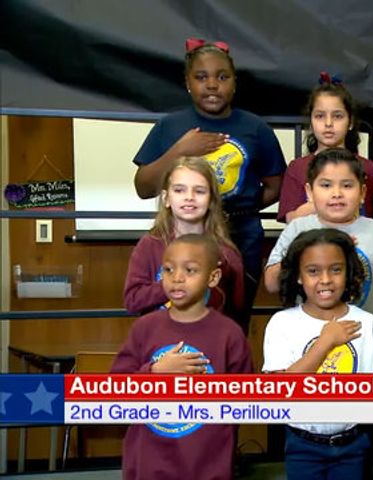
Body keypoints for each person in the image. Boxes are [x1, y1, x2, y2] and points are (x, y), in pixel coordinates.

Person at [131, 38, 286, 329]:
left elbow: (275, 186)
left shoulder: (256, 128)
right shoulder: (170, 127)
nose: (212, 85)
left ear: (235, 82)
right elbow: (143, 187)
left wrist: (234, 209)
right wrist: (180, 150)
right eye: (201, 77)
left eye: (222, 77)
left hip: (240, 235)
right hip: (181, 232)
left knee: (234, 317)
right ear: (188, 82)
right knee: (176, 311)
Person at [112, 233, 253, 480]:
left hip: (207, 466)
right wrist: (154, 372)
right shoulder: (144, 328)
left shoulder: (230, 334)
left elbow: (246, 402)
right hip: (149, 464)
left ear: (213, 278)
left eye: (189, 270)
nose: (177, 278)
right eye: (168, 270)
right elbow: (115, 390)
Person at [263, 228, 373, 480]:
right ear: (298, 276)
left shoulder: (368, 323)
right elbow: (280, 390)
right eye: (313, 271)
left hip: (356, 444)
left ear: (348, 272)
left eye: (336, 269)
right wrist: (325, 342)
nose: (326, 279)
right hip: (302, 446)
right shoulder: (282, 323)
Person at [264, 148, 373, 321]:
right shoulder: (297, 229)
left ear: (362, 193)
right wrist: (303, 252)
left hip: (362, 336)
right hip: (308, 337)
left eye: (347, 185)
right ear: (309, 192)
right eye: (326, 185)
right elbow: (271, 284)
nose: (337, 194)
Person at [123, 156, 244, 323]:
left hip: (207, 342)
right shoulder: (150, 245)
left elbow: (237, 314)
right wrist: (178, 283)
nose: (189, 197)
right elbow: (133, 301)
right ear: (166, 198)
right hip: (159, 343)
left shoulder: (226, 254)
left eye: (199, 191)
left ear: (211, 200)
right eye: (179, 190)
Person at [277, 72, 373, 224]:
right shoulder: (297, 168)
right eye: (320, 116)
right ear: (311, 121)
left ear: (350, 122)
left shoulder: (369, 169)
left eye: (337, 116)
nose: (328, 123)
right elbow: (291, 220)